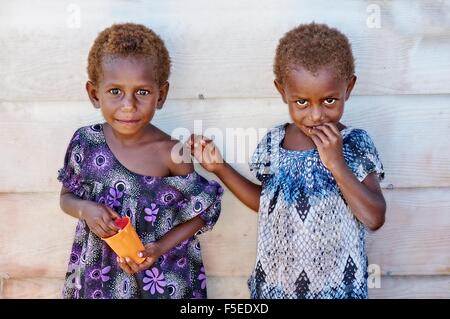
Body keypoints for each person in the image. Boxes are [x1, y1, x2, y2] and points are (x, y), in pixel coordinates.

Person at [189, 23, 386, 299]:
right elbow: (269, 204)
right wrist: (220, 168)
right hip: (276, 287)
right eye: (302, 102)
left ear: (349, 88)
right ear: (282, 92)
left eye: (329, 100)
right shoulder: (273, 142)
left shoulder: (354, 143)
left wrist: (336, 163)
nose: (316, 115)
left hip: (338, 290)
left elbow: (374, 217)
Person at [58, 23, 223, 299]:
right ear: (94, 93)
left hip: (160, 277)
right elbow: (66, 197)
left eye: (142, 92)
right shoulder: (85, 142)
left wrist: (159, 247)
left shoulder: (171, 152)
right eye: (115, 91)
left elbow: (202, 212)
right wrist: (85, 209)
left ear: (162, 94)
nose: (128, 105)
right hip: (100, 278)